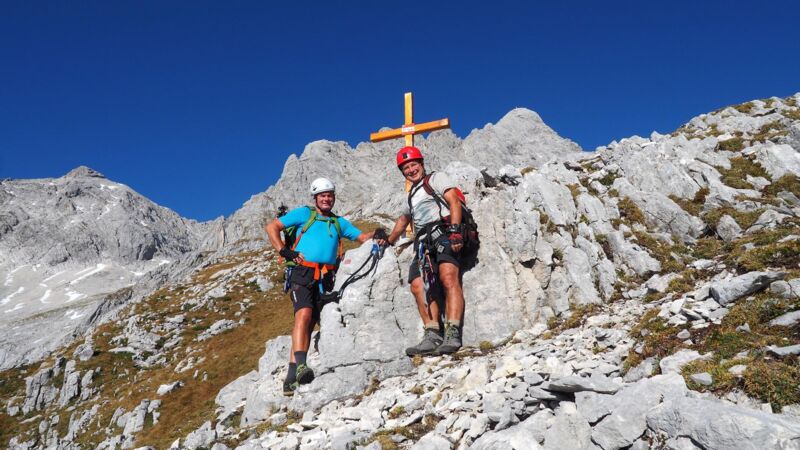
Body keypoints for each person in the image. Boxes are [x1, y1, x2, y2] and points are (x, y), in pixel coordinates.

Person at [265, 177, 386, 395]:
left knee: (310, 323)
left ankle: (291, 377)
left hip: (326, 277)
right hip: (301, 272)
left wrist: (377, 233)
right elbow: (272, 227)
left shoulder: (338, 222)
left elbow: (361, 237)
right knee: (303, 314)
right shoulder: (304, 214)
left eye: (329, 195)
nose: (326, 199)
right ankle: (302, 365)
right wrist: (284, 251)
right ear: (315, 198)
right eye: (322, 195)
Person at [374, 146, 468, 356]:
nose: (410, 170)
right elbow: (403, 220)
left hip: (443, 233)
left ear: (422, 164)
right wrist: (388, 241)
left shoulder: (436, 179)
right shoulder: (411, 195)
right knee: (418, 285)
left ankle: (452, 334)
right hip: (423, 243)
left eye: (413, 164)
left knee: (447, 278)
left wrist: (455, 231)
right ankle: (432, 333)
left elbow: (453, 200)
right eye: (405, 167)